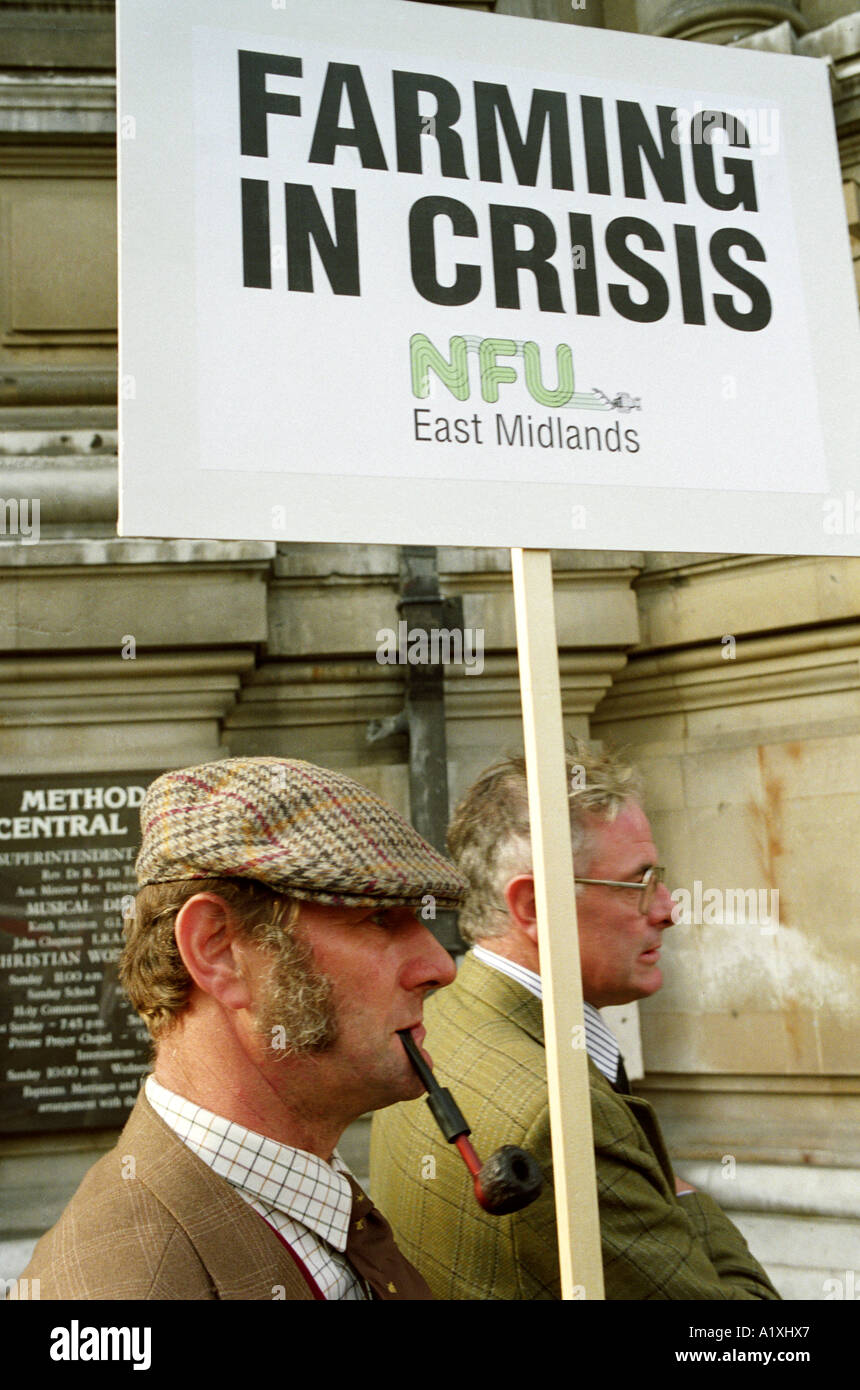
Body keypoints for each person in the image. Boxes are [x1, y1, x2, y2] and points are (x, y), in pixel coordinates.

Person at [21, 756, 467, 1300]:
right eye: (378, 917)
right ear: (219, 951)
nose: (439, 967)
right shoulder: (126, 1291)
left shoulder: (292, 1193)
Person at [370, 742, 781, 1300]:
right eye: (640, 883)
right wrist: (679, 1192)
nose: (667, 909)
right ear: (537, 909)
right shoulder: (561, 1117)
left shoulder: (436, 1018)